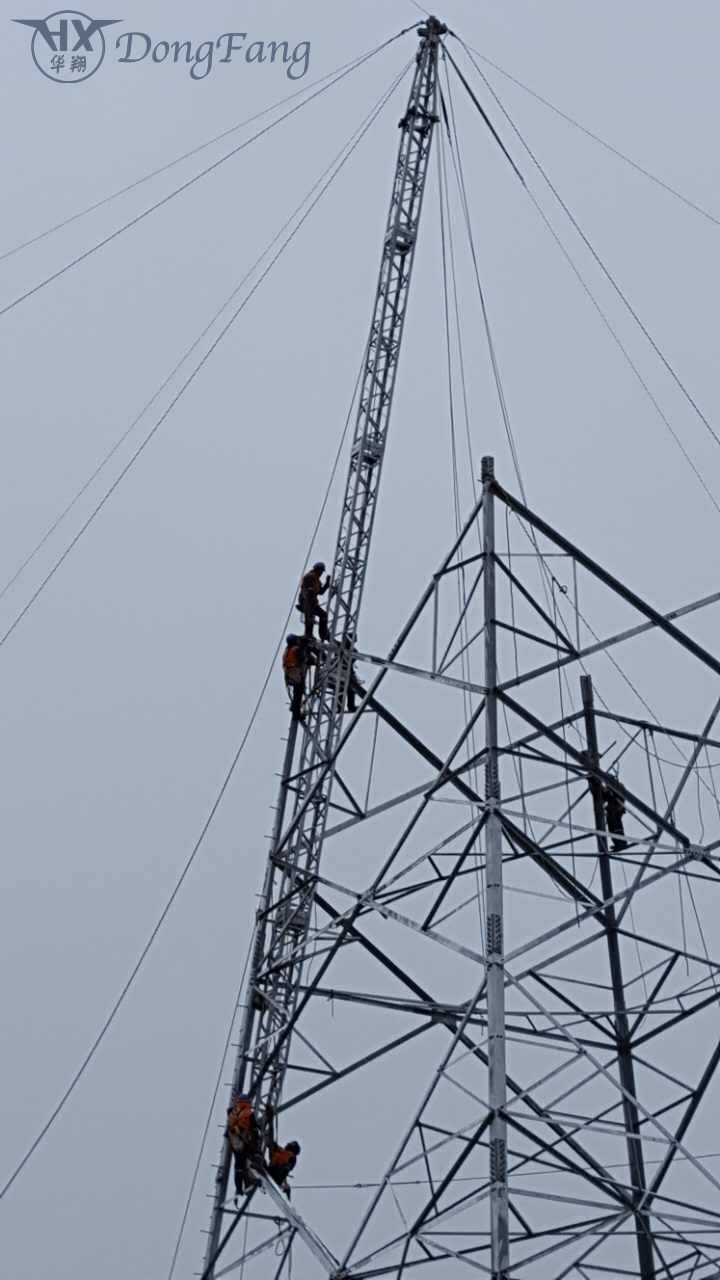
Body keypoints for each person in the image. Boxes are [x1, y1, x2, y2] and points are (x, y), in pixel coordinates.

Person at [226, 1094, 262, 1201]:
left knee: (239, 1166)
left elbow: (231, 1126)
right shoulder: (247, 1112)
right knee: (249, 1162)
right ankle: (250, 1182)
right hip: (244, 1140)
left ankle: (239, 1188)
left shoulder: (233, 1112)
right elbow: (249, 1127)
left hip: (235, 1142)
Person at [282, 635, 315, 722]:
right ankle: (296, 713)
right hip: (294, 672)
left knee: (297, 692)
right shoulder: (296, 649)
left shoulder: (288, 650)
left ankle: (294, 708)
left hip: (288, 673)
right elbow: (303, 659)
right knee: (298, 691)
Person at [298, 562, 330, 642]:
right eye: (321, 571)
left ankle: (323, 634)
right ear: (317, 570)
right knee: (309, 617)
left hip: (313, 602)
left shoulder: (317, 580)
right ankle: (308, 634)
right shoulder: (310, 576)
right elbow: (305, 589)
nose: (321, 573)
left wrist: (327, 583)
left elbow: (321, 592)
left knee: (323, 615)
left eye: (322, 572)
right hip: (306, 600)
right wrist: (308, 595)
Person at [603, 783, 627, 853]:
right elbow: (604, 796)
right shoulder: (610, 790)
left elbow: (619, 796)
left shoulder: (617, 786)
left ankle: (621, 843)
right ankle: (618, 844)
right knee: (613, 829)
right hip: (613, 811)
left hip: (616, 810)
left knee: (616, 827)